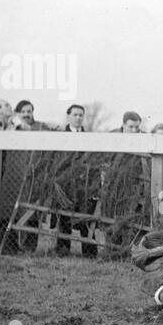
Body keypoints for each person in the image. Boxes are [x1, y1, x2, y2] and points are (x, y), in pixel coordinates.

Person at [55, 103, 98, 258]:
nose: (78, 118)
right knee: (64, 216)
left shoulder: (88, 138)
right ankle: (63, 250)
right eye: (75, 115)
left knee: (85, 217)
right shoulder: (60, 136)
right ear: (69, 116)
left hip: (83, 185)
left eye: (81, 115)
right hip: (65, 184)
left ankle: (89, 253)